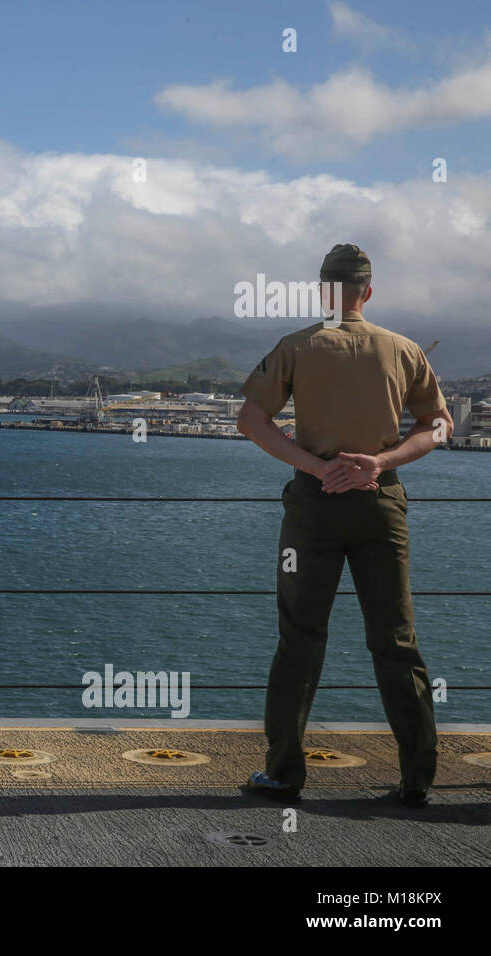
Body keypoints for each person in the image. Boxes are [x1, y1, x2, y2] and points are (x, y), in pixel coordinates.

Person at [236, 244, 453, 808]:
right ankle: (417, 778)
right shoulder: (404, 350)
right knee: (396, 639)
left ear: (322, 290)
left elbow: (251, 419)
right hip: (380, 503)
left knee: (300, 639)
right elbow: (438, 427)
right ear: (369, 291)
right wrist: (378, 464)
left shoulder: (297, 347)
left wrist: (316, 466)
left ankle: (284, 774)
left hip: (314, 503)